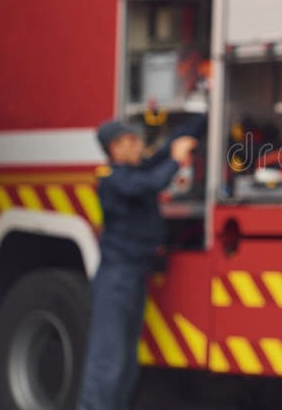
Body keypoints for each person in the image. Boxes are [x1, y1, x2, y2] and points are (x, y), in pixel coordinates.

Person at [77, 116, 204, 410]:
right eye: (131, 141)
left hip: (132, 278)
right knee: (107, 363)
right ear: (115, 148)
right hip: (116, 280)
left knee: (125, 363)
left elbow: (160, 156)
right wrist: (175, 160)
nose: (138, 145)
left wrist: (195, 124)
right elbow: (150, 182)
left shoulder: (135, 169)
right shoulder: (114, 179)